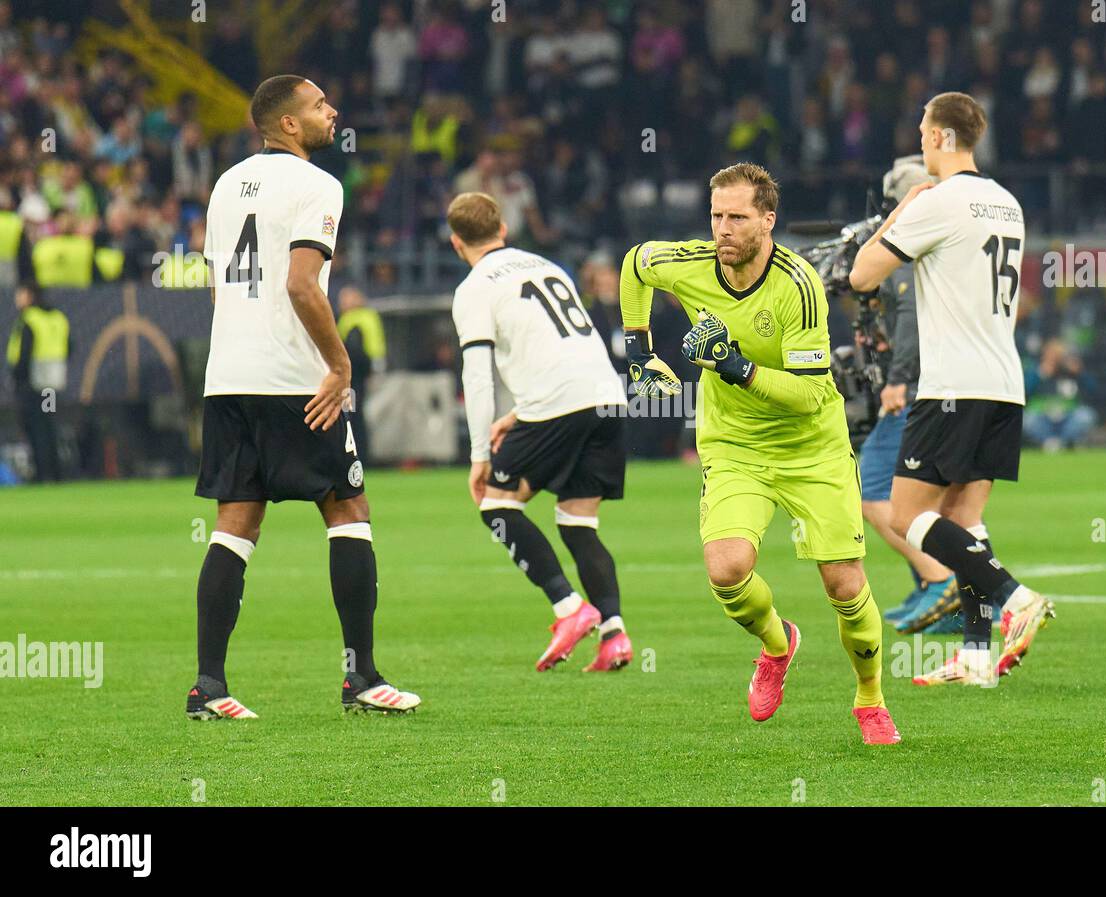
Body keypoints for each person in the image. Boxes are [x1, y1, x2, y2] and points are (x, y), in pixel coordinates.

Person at [621, 162, 901, 745]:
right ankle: (778, 645)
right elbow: (635, 263)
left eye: (737, 217)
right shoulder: (692, 264)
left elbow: (805, 395)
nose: (723, 228)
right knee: (726, 569)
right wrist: (638, 348)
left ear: (767, 220)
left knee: (845, 585)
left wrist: (735, 367)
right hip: (734, 446)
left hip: (812, 446)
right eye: (716, 215)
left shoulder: (799, 287)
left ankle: (870, 698)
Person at [190, 75, 419, 719]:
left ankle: (209, 686)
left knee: (236, 522)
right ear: (289, 124)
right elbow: (300, 284)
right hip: (293, 380)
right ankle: (362, 679)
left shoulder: (224, 184)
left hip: (228, 376)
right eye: (321, 106)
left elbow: (218, 291)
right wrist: (339, 365)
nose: (333, 112)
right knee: (348, 509)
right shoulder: (319, 185)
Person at [850, 92, 1053, 687]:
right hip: (1003, 382)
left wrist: (900, 212)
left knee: (906, 512)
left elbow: (862, 274)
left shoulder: (938, 202)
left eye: (922, 130)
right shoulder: (1006, 203)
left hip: (952, 385)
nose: (919, 140)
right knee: (964, 518)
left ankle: (1016, 598)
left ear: (941, 136)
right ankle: (974, 655)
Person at [448, 191, 633, 672]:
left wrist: (479, 454)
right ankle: (614, 633)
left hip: (558, 404)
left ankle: (569, 608)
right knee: (578, 522)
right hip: (606, 398)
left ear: (455, 242)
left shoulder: (474, 288)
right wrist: (521, 413)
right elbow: (564, 346)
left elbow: (477, 374)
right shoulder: (547, 266)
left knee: (496, 505)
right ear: (504, 229)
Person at [854, 157, 962, 636]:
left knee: (875, 489)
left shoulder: (910, 245)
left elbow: (911, 315)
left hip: (920, 390)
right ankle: (940, 591)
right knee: (938, 504)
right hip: (956, 386)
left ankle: (943, 581)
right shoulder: (952, 240)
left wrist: (897, 376)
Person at [6, 281, 67, 482]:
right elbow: (70, 345)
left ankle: (42, 473)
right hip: (52, 384)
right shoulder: (58, 318)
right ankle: (56, 472)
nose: (18, 298)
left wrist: (16, 377)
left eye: (21, 293)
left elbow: (24, 354)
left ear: (30, 296)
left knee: (36, 427)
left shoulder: (30, 319)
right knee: (50, 425)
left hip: (32, 385)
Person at [336, 285, 386, 461]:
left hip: (353, 377)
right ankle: (360, 453)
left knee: (352, 415)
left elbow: (354, 351)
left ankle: (356, 454)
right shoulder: (369, 316)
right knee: (356, 414)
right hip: (365, 374)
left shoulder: (354, 320)